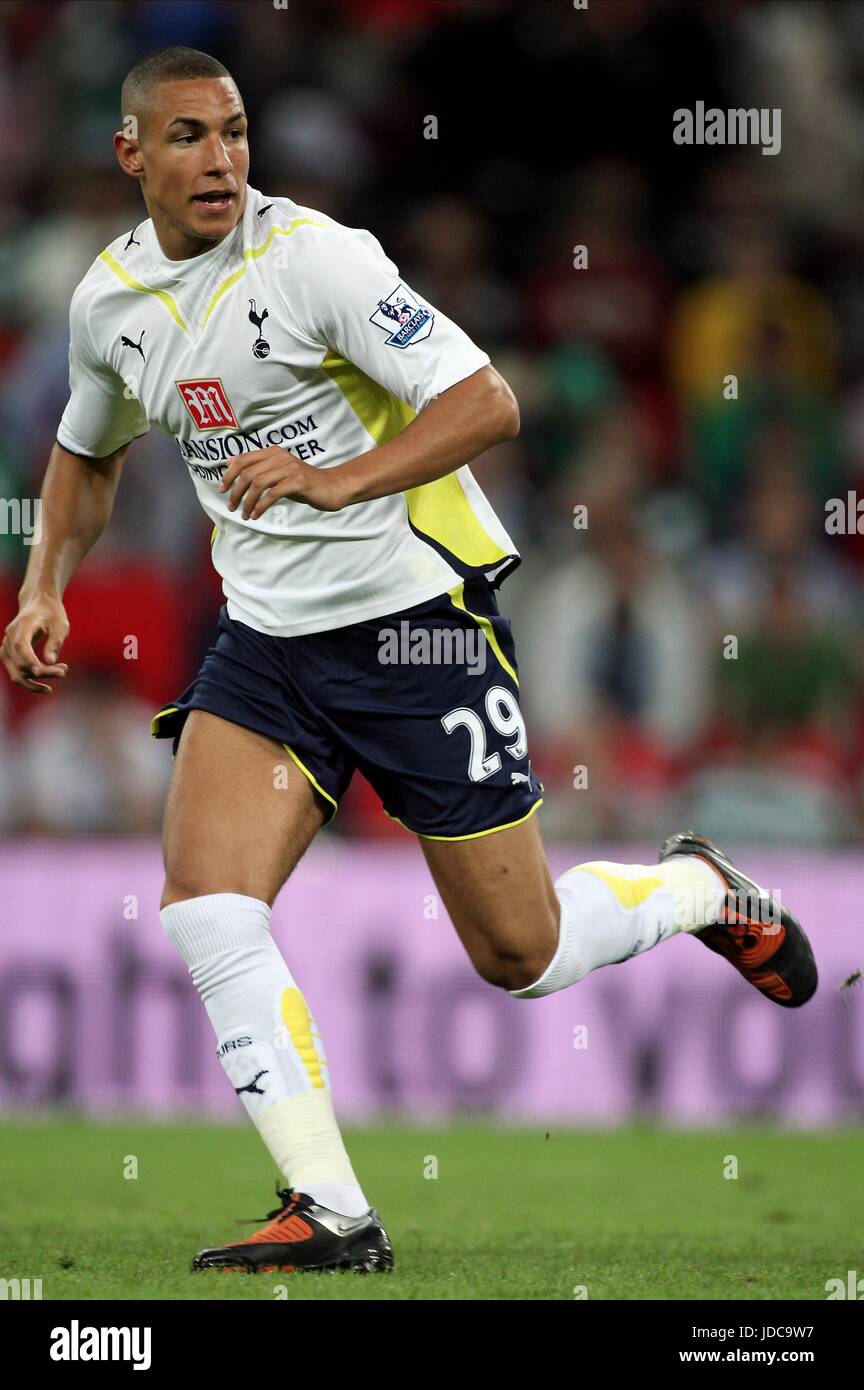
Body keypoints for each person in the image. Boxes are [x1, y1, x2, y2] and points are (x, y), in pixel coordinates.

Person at [0, 47, 817, 1277]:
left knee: (522, 959)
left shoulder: (315, 258)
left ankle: (698, 889)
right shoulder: (109, 304)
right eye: (186, 137)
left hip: (415, 627)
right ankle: (331, 1209)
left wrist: (335, 479)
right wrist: (46, 581)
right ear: (131, 155)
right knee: (207, 903)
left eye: (232, 132)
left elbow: (487, 401)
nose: (219, 158)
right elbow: (89, 449)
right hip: (267, 644)